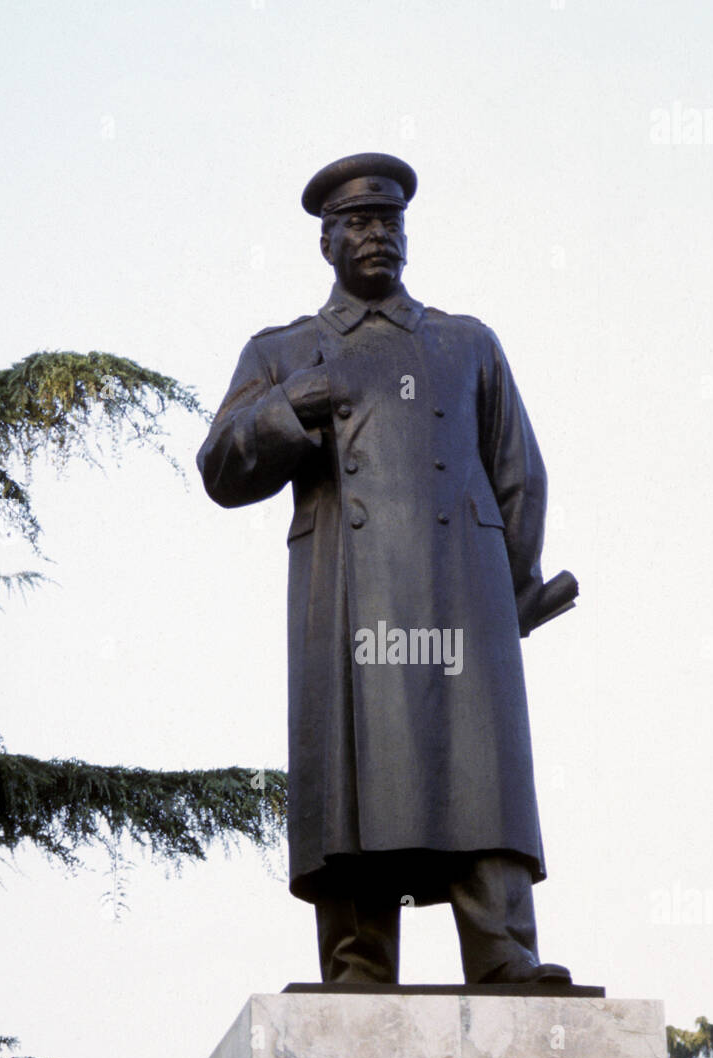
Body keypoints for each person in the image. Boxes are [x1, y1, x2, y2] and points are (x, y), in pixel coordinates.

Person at [197, 153, 578, 985]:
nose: (377, 235)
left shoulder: (465, 341)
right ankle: (357, 963)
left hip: (462, 593)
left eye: (390, 222)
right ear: (326, 241)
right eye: (358, 224)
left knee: (479, 764)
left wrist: (510, 591)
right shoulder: (285, 349)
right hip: (347, 591)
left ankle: (504, 954)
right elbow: (220, 469)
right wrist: (280, 411)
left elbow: (518, 473)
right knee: (351, 767)